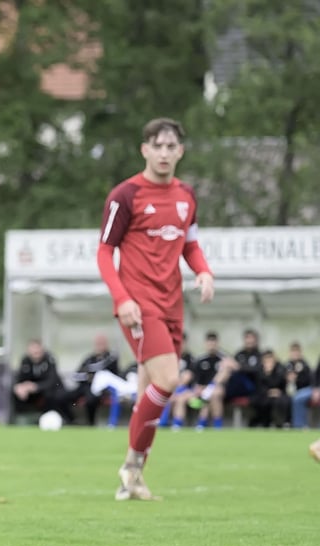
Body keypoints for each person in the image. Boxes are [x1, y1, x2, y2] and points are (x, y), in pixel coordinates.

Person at [97, 117, 214, 501]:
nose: (164, 153)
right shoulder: (125, 194)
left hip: (173, 305)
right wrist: (122, 298)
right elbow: (104, 252)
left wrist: (204, 272)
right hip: (139, 304)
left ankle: (133, 475)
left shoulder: (187, 196)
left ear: (180, 151)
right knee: (169, 380)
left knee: (152, 389)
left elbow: (190, 245)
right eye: (157, 146)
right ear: (144, 149)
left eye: (171, 147)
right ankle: (130, 468)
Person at [170, 331, 224, 430]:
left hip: (215, 390)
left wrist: (207, 387)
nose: (211, 345)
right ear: (205, 344)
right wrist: (197, 388)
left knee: (211, 395)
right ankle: (176, 425)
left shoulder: (223, 358)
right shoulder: (200, 360)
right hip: (198, 391)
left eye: (213, 342)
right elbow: (195, 379)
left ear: (217, 343)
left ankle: (209, 425)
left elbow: (230, 370)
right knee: (181, 398)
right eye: (209, 342)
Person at [67, 333, 121, 426]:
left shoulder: (111, 357)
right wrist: (88, 376)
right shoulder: (89, 358)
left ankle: (91, 424)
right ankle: (71, 421)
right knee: (61, 397)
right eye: (98, 343)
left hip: (102, 390)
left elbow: (104, 372)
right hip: (84, 386)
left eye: (102, 343)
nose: (100, 345)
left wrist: (89, 374)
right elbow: (76, 375)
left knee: (91, 399)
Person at [12, 339, 72, 424]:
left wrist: (35, 386)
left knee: (53, 396)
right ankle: (22, 420)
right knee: (16, 394)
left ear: (42, 349)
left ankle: (66, 420)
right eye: (33, 350)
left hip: (52, 391)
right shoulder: (25, 361)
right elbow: (20, 378)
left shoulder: (49, 359)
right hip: (34, 393)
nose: (35, 352)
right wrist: (19, 387)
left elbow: (52, 380)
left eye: (37, 350)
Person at [249, 349, 288, 428]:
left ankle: (281, 423)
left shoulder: (280, 369)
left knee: (282, 401)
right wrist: (266, 375)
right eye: (266, 360)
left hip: (279, 395)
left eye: (270, 359)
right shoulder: (259, 371)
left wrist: (270, 374)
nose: (269, 362)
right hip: (263, 395)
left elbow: (280, 385)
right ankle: (263, 422)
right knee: (262, 401)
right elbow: (259, 387)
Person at [286, 343, 316, 429]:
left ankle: (299, 426)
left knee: (297, 398)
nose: (295, 354)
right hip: (292, 391)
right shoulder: (287, 365)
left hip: (307, 389)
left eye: (297, 352)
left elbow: (310, 380)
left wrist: (297, 378)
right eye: (293, 352)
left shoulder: (305, 365)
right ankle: (287, 423)